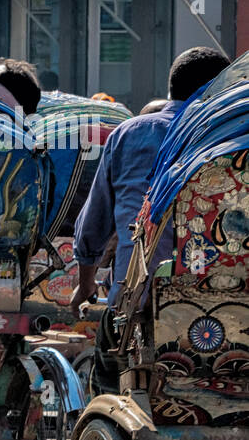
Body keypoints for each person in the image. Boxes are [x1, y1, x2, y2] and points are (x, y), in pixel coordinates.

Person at [72, 46, 230, 390]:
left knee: (107, 387)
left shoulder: (131, 134)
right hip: (230, 314)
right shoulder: (234, 139)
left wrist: (85, 282)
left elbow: (94, 224)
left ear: (170, 88)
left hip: (138, 307)